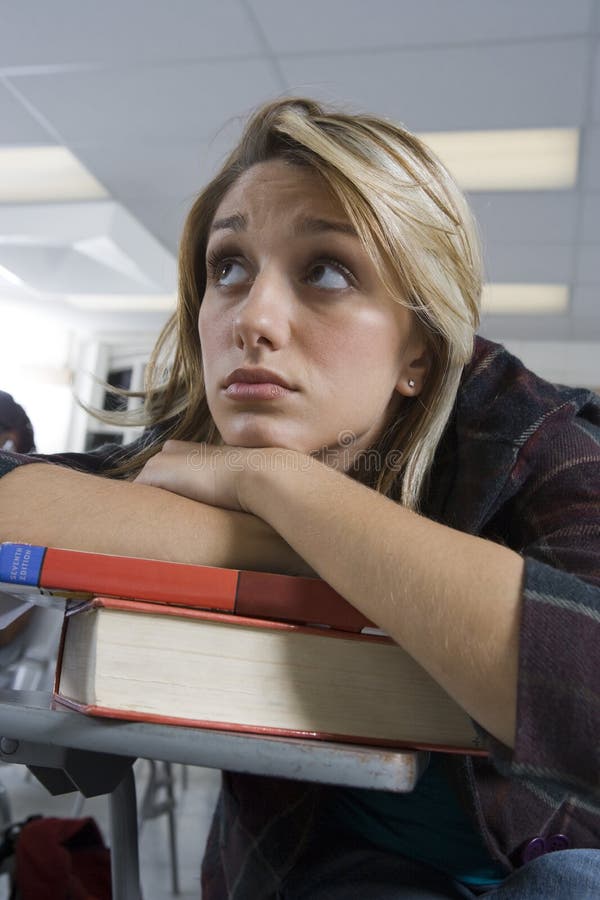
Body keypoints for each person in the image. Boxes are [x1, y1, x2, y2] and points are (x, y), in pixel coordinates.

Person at [0, 98, 599, 899]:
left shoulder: (538, 441)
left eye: (326, 271)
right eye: (229, 267)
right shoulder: (197, 452)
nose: (253, 318)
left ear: (417, 352)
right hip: (320, 872)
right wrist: (319, 540)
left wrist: (280, 484)